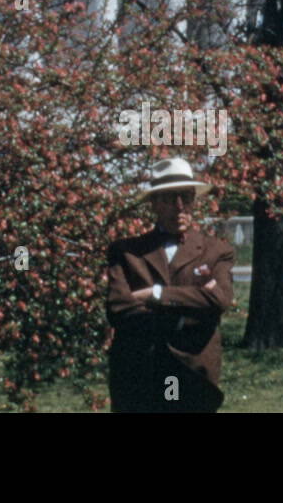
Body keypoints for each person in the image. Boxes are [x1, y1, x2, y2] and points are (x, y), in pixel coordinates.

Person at [105, 157, 235, 413]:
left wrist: (156, 295)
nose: (179, 207)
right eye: (169, 199)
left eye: (186, 197)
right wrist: (193, 304)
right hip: (139, 374)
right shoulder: (126, 252)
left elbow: (220, 300)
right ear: (154, 204)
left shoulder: (217, 251)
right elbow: (118, 308)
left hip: (193, 374)